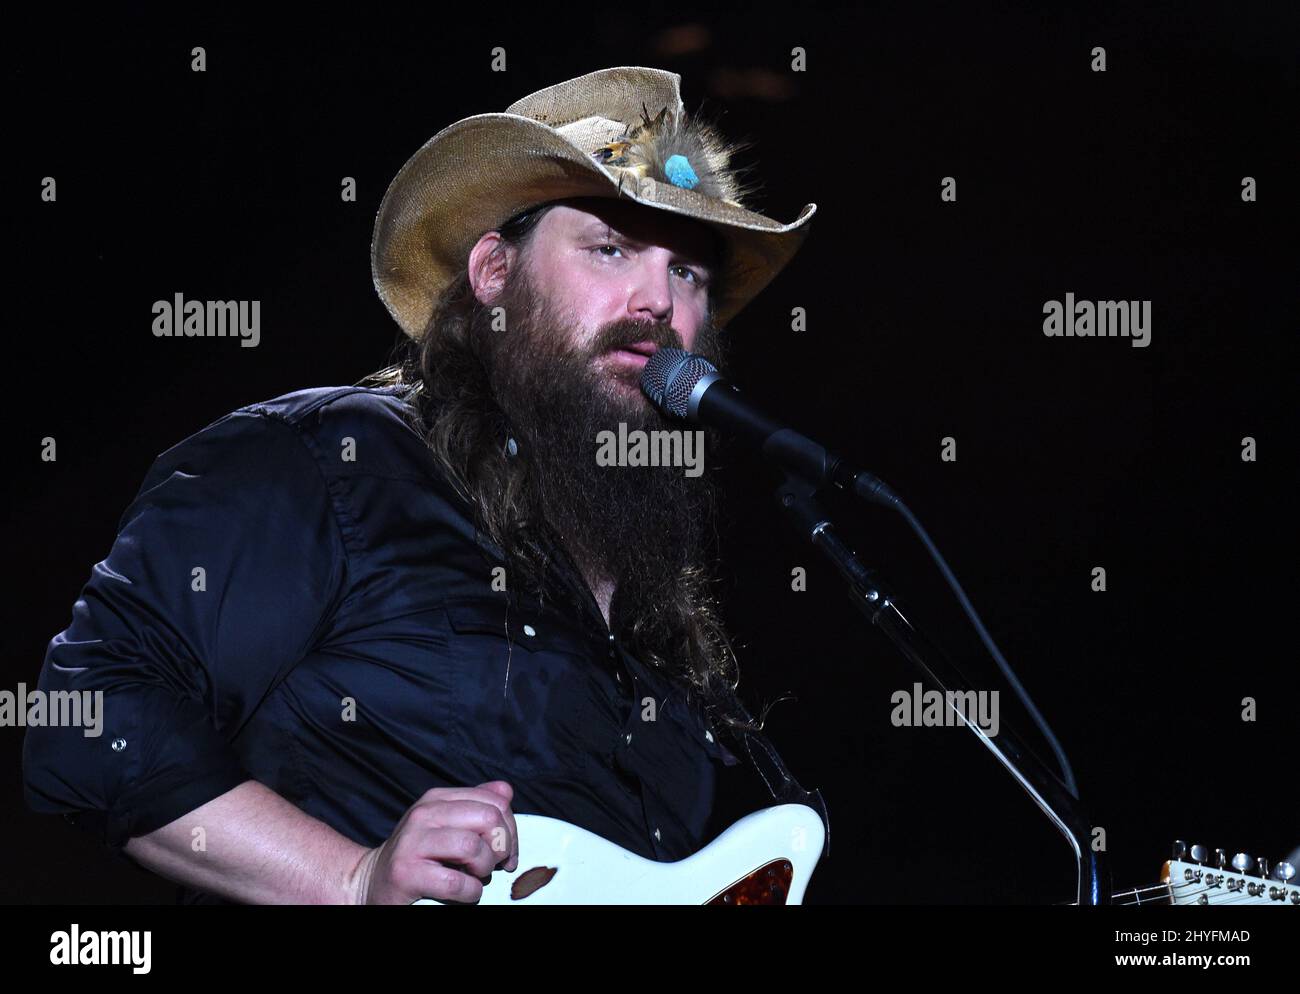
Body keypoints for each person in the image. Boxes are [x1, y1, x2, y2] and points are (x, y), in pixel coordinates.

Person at [23, 65, 826, 905]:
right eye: (611, 248)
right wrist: (351, 875)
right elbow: (90, 717)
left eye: (689, 273)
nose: (657, 300)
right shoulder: (330, 459)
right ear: (493, 274)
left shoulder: (655, 615)